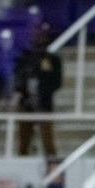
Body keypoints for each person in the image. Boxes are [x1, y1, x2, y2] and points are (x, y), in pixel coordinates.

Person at [14, 23, 64, 159]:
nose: (39, 37)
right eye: (36, 34)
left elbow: (57, 82)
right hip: (25, 104)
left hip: (45, 104)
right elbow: (17, 81)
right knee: (23, 143)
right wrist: (24, 85)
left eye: (42, 34)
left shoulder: (53, 59)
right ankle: (21, 167)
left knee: (48, 143)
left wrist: (42, 91)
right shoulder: (24, 58)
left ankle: (53, 171)